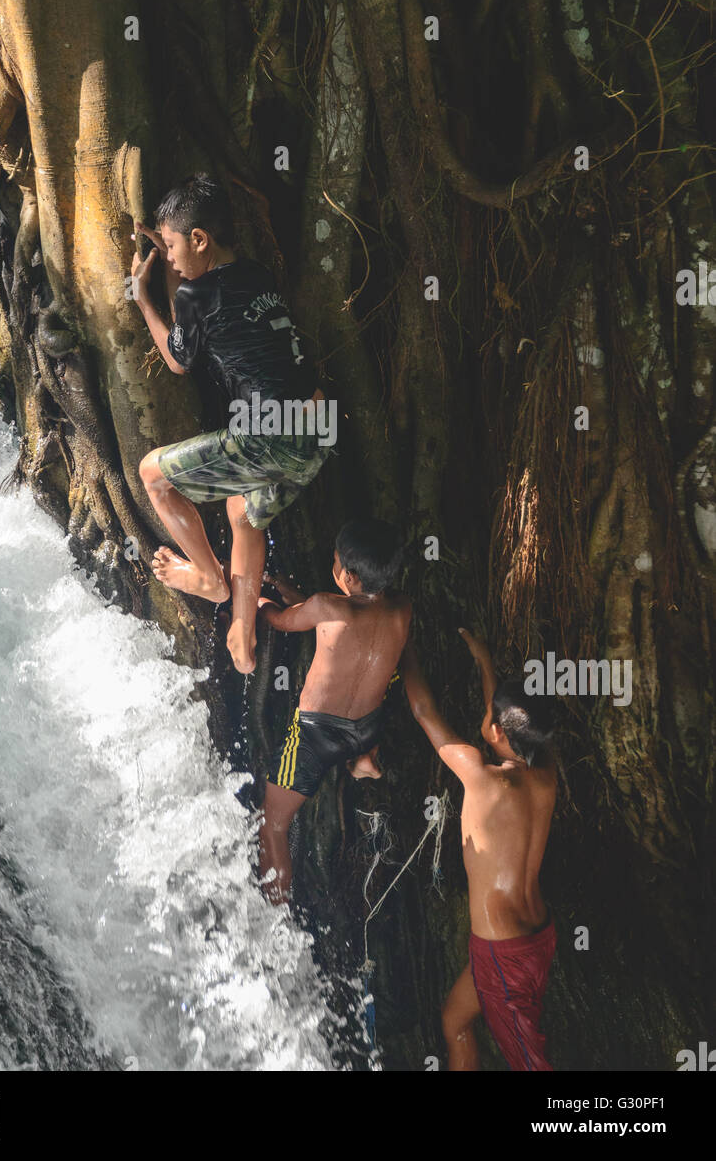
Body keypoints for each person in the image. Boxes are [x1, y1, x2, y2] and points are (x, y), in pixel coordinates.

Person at [131, 175, 328, 674]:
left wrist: (143, 298)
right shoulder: (257, 274)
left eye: (172, 246)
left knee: (152, 474)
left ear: (201, 239)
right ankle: (242, 630)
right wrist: (173, 258)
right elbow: (199, 292)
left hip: (270, 432)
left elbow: (178, 358)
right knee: (241, 509)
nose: (168, 257)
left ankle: (210, 577)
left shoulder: (193, 297)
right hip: (317, 430)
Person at [402, 628, 557, 1071]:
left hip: (503, 954)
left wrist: (405, 644)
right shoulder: (546, 772)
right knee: (455, 1021)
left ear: (493, 728)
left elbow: (422, 710)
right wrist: (484, 661)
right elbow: (506, 727)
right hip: (531, 940)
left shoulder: (479, 776)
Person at [256, 519, 410, 904]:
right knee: (384, 677)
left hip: (315, 737)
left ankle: (274, 916)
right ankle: (363, 760)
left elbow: (281, 620)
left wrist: (255, 601)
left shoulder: (325, 607)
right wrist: (299, 598)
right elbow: (338, 621)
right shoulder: (402, 610)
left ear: (350, 576)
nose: (333, 564)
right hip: (368, 727)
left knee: (272, 825)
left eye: (335, 560)